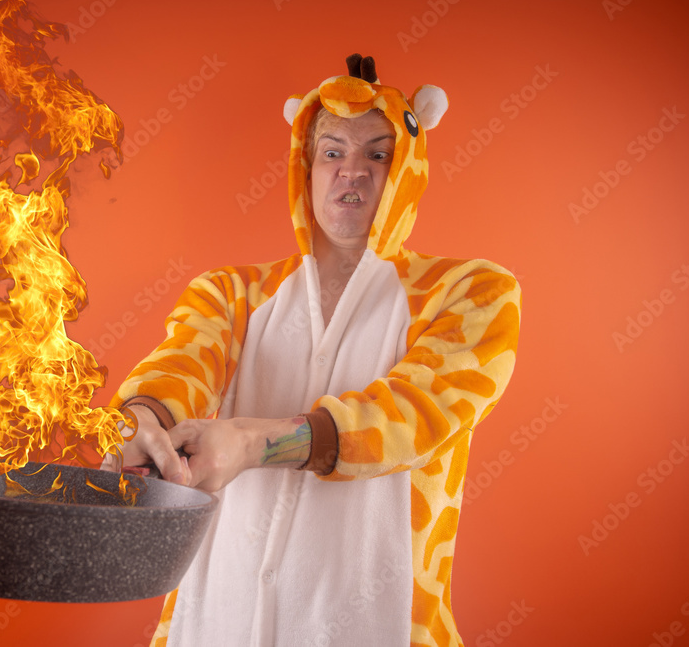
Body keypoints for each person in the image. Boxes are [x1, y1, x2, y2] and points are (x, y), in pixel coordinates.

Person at [110, 54, 521, 647]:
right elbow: (182, 364)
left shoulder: (471, 292)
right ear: (305, 168)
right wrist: (144, 421)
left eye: (377, 155)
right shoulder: (230, 293)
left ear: (407, 170)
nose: (351, 171)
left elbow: (410, 418)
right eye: (332, 152)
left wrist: (251, 442)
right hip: (211, 625)